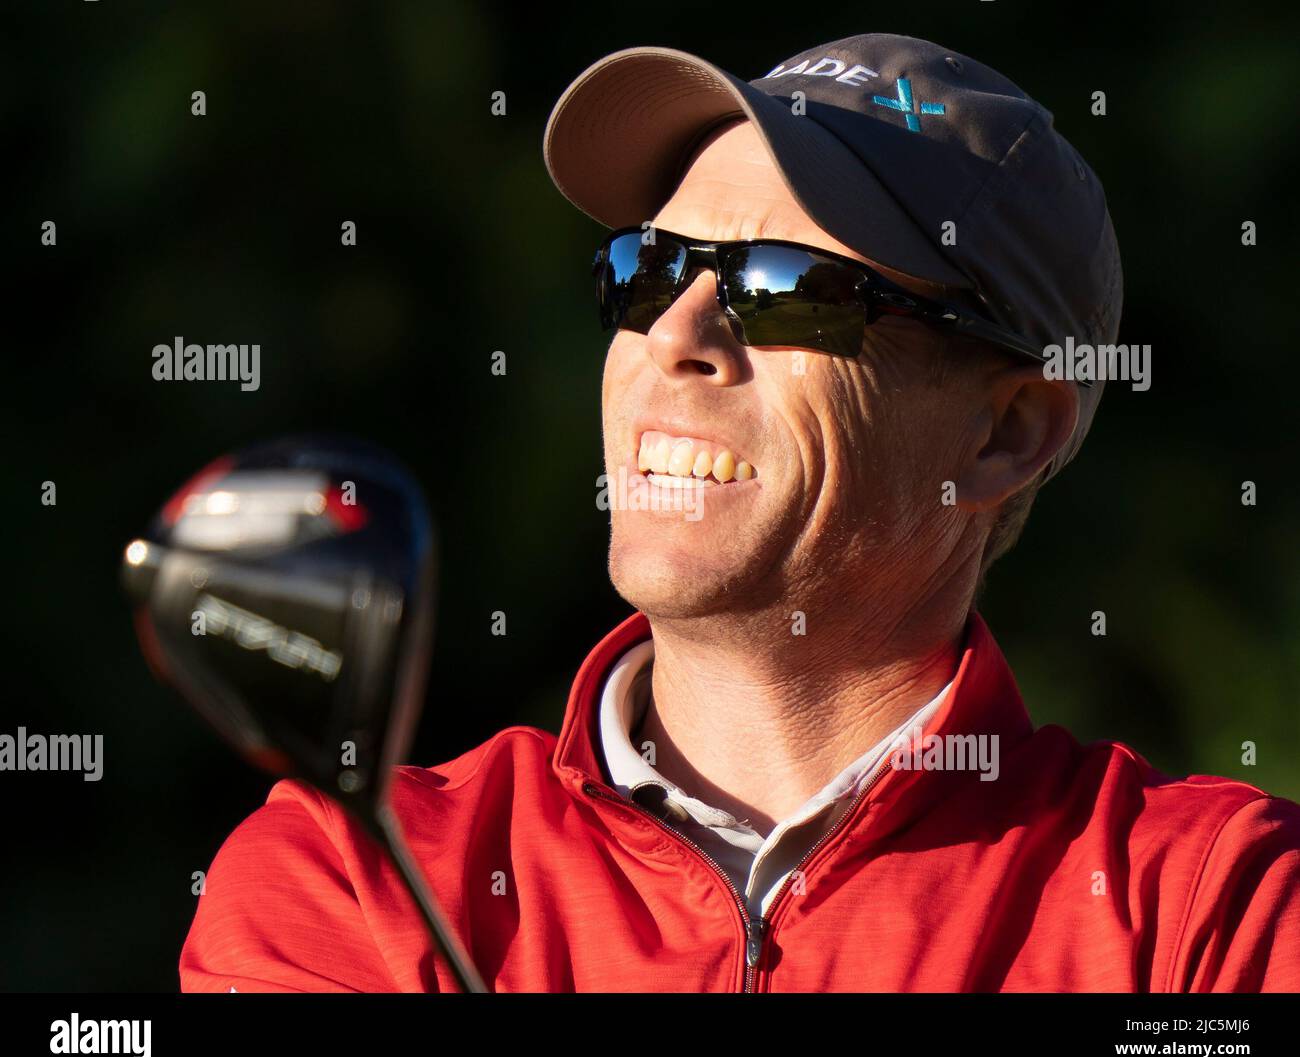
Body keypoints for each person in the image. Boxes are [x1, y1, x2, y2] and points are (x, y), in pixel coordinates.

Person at [179, 33, 1299, 992]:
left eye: (784, 289)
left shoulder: (1213, 913)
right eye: (649, 271)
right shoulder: (350, 885)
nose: (675, 338)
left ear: (1006, 432)